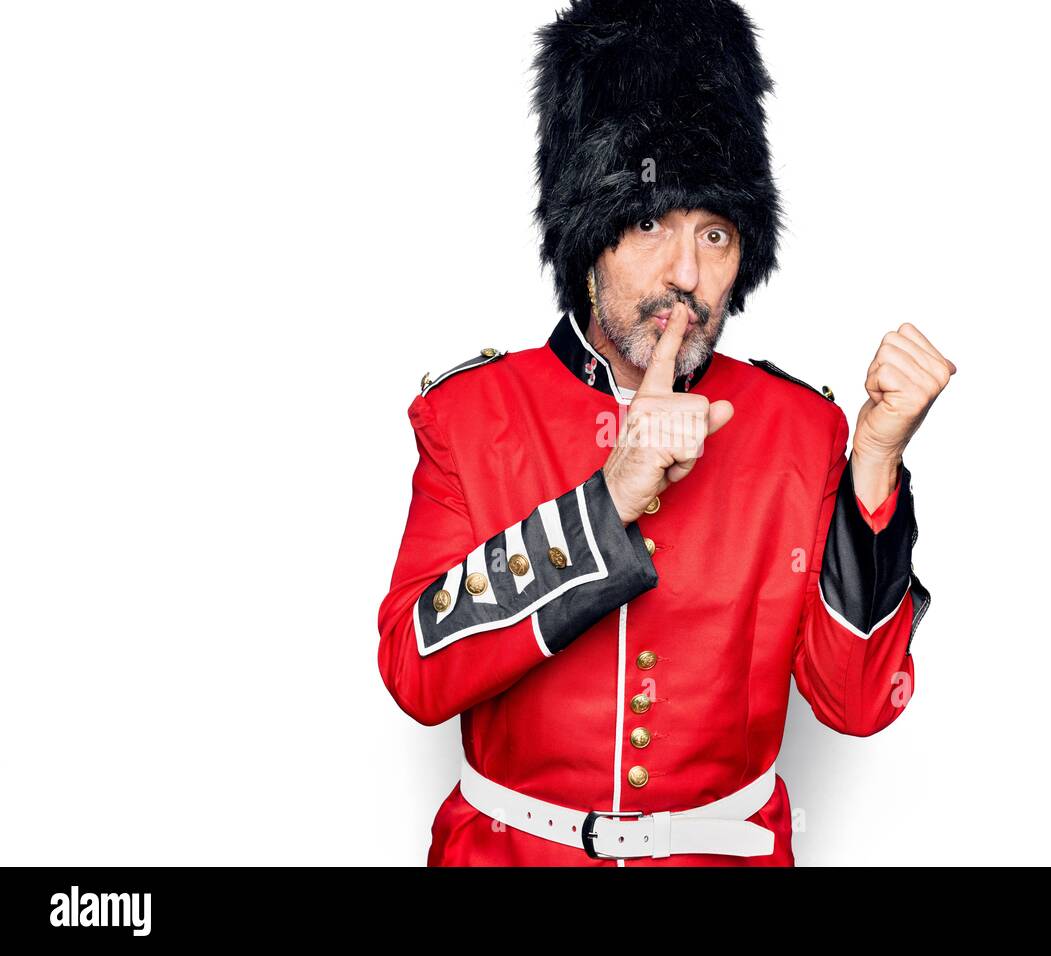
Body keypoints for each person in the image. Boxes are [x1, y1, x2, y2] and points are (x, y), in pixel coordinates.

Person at [376, 0, 956, 866]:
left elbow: (857, 705)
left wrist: (875, 459)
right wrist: (606, 498)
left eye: (714, 236)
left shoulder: (802, 429)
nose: (684, 275)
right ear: (590, 237)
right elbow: (414, 675)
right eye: (650, 225)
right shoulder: (471, 415)